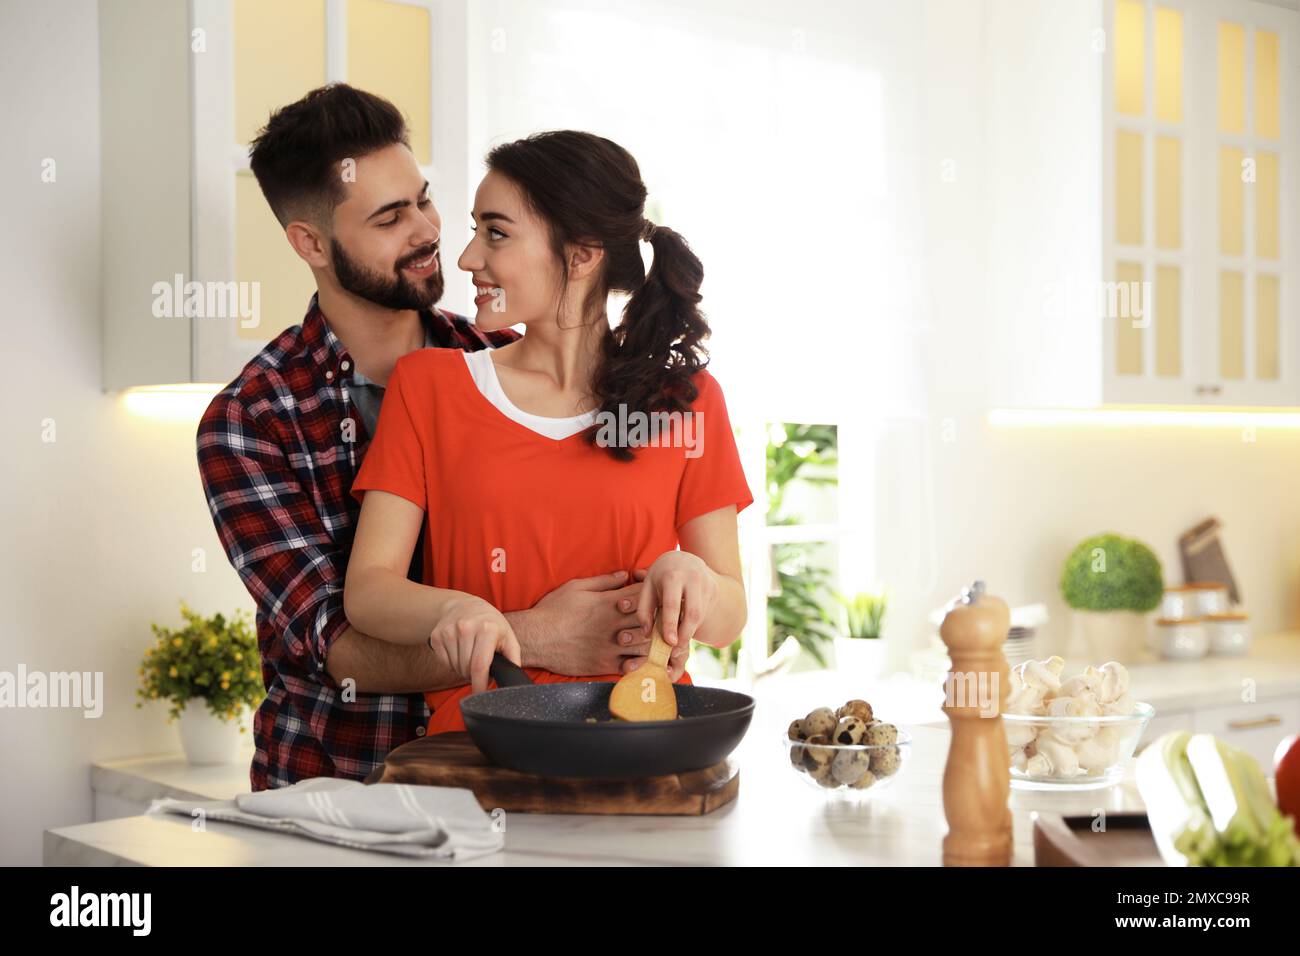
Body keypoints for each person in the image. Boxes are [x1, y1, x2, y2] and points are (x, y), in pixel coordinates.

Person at [198, 87, 665, 789]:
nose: (427, 230)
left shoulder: (508, 363)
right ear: (310, 242)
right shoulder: (250, 422)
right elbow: (342, 650)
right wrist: (536, 634)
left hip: (498, 781)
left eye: (422, 199)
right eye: (390, 218)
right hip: (339, 790)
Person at [344, 130, 753, 734]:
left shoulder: (684, 404)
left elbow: (728, 616)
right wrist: (460, 609)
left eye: (497, 233)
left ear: (581, 255)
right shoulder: (430, 387)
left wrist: (695, 580)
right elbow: (370, 591)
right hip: (481, 749)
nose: (467, 258)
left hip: (645, 742)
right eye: (475, 229)